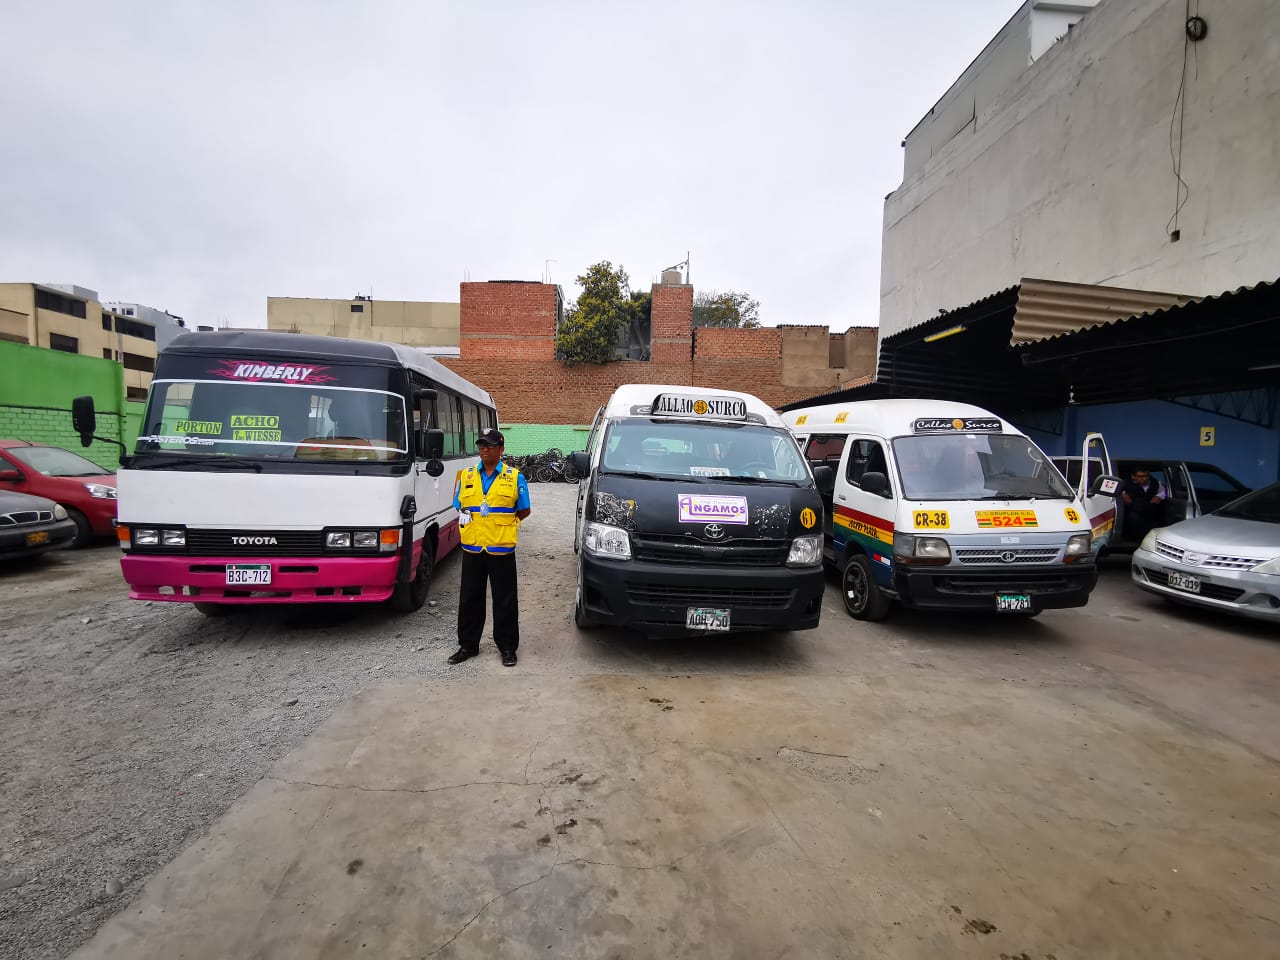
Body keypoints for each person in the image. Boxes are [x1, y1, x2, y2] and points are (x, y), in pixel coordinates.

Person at [447, 430, 531, 667]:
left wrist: (502, 523)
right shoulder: (466, 476)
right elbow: (459, 505)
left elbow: (524, 510)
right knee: (469, 598)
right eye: (482, 446)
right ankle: (468, 645)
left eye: (491, 446)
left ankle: (507, 647)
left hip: (501, 547)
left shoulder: (515, 477)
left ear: (501, 449)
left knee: (505, 599)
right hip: (473, 547)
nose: (485, 450)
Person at [1121, 466, 1166, 542]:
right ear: (1133, 476)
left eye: (1146, 476)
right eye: (1141, 476)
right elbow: (1124, 497)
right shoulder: (1124, 483)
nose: (1144, 478)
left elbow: (1162, 492)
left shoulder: (1155, 483)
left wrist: (1158, 497)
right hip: (1132, 510)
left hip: (1149, 510)